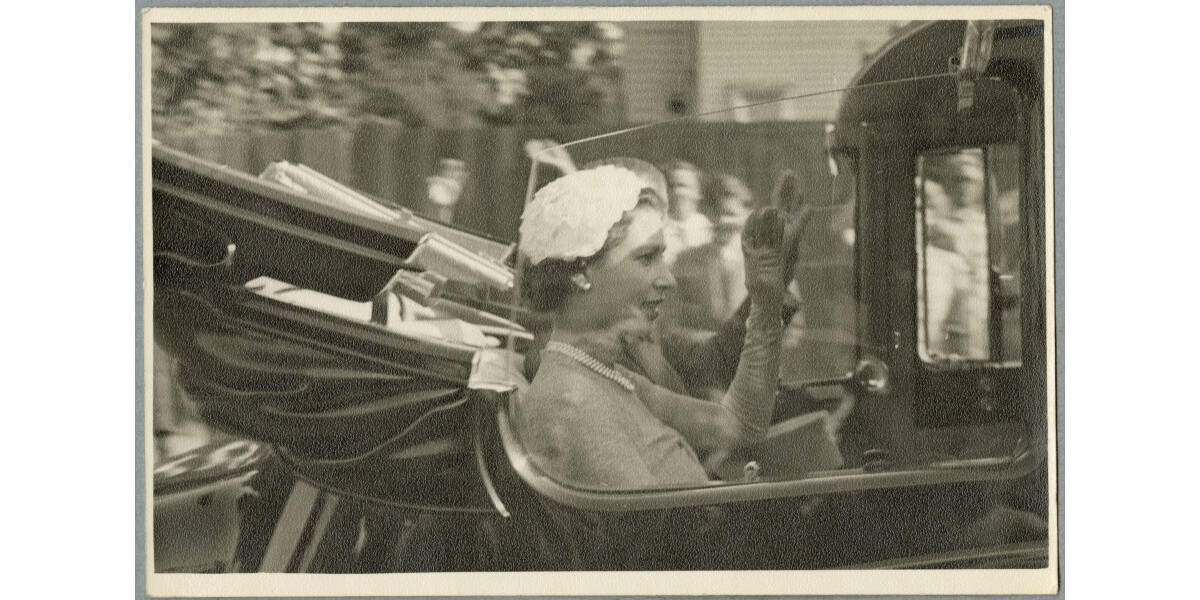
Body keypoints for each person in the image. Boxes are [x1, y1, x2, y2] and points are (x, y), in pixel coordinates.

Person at [511, 163, 787, 490]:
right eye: (646, 258)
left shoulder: (607, 374)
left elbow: (736, 425)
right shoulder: (572, 405)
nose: (669, 280)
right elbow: (665, 534)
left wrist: (766, 302)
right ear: (580, 272)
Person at [663, 174, 753, 339]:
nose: (722, 221)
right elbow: (669, 323)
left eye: (730, 214)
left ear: (747, 215)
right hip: (700, 358)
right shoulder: (685, 261)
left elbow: (788, 324)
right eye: (715, 214)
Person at [662, 160, 713, 266]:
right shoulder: (654, 231)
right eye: (671, 186)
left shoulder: (710, 231)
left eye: (683, 186)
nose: (676, 192)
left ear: (698, 192)